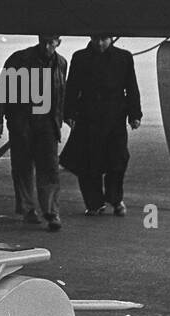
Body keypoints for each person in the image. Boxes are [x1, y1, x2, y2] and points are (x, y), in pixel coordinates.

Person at [0, 35, 69, 231]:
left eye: (52, 42)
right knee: (22, 167)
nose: (47, 46)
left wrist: (66, 116)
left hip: (48, 125)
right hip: (22, 122)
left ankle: (51, 212)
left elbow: (61, 93)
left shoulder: (61, 63)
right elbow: (2, 88)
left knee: (50, 168)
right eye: (45, 41)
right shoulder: (19, 59)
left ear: (58, 43)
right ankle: (27, 210)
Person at [61, 36, 142, 216]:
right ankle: (94, 203)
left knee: (118, 159)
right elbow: (72, 87)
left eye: (103, 39)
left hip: (115, 116)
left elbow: (131, 87)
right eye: (96, 39)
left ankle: (115, 198)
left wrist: (135, 114)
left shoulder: (124, 57)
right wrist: (69, 113)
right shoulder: (80, 57)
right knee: (88, 163)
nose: (99, 44)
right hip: (88, 116)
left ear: (111, 38)